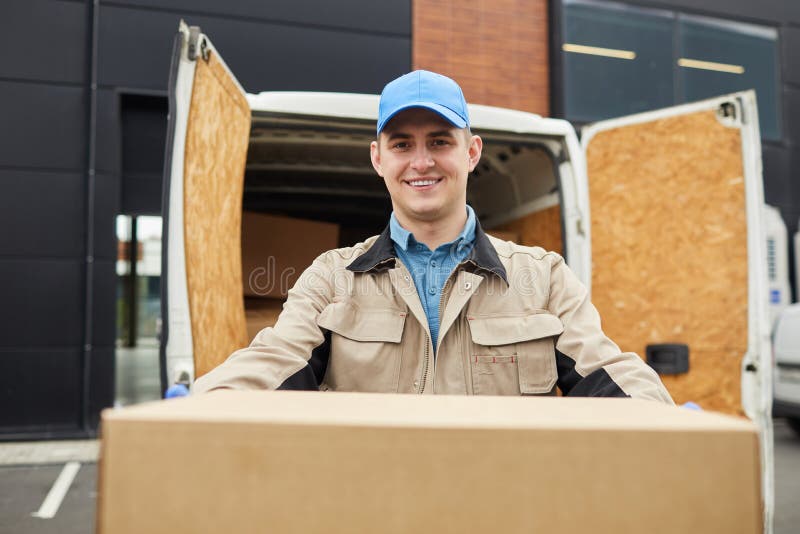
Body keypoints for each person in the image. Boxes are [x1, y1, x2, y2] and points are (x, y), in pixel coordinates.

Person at [193, 70, 673, 403]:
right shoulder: (333, 278)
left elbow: (608, 372)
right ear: (379, 159)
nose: (421, 161)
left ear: (471, 152)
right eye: (402, 144)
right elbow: (273, 360)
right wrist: (199, 404)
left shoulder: (543, 278)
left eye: (440, 141)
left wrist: (666, 419)